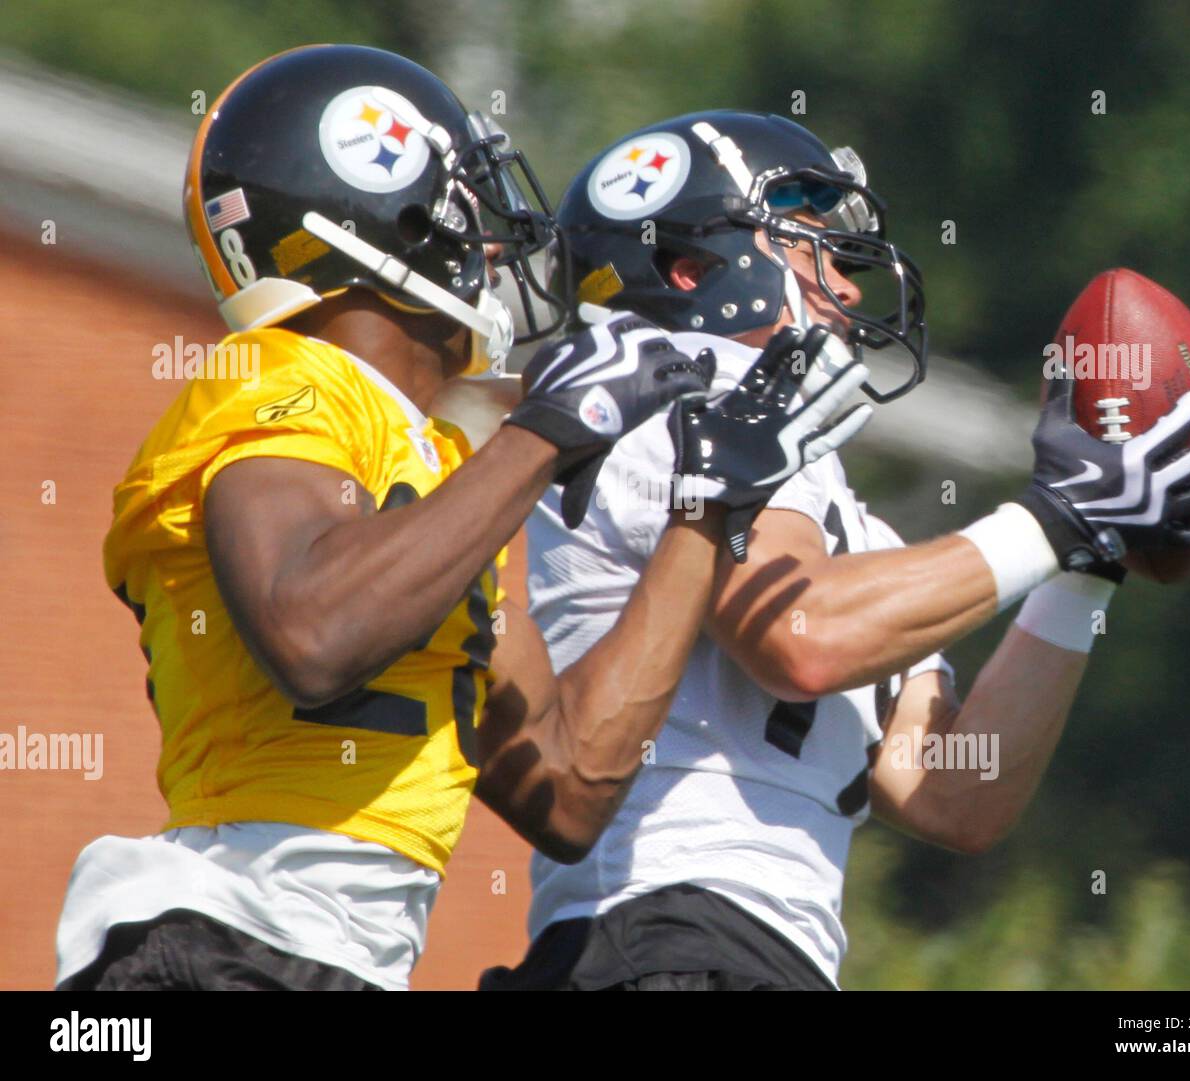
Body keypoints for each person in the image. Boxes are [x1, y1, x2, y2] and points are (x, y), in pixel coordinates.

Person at [54, 54, 869, 992]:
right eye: (469, 204)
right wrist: (547, 432)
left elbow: (569, 788)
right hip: (221, 937)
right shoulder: (276, 379)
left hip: (333, 960)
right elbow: (312, 631)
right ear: (394, 213)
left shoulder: (441, 474)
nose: (496, 240)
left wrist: (706, 504)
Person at [481, 110, 1190, 990]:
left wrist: (1086, 560)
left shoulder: (836, 509)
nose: (846, 288)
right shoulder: (674, 396)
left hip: (746, 948)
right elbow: (801, 636)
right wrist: (1055, 519)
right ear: (692, 267)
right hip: (665, 934)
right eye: (817, 252)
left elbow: (955, 787)